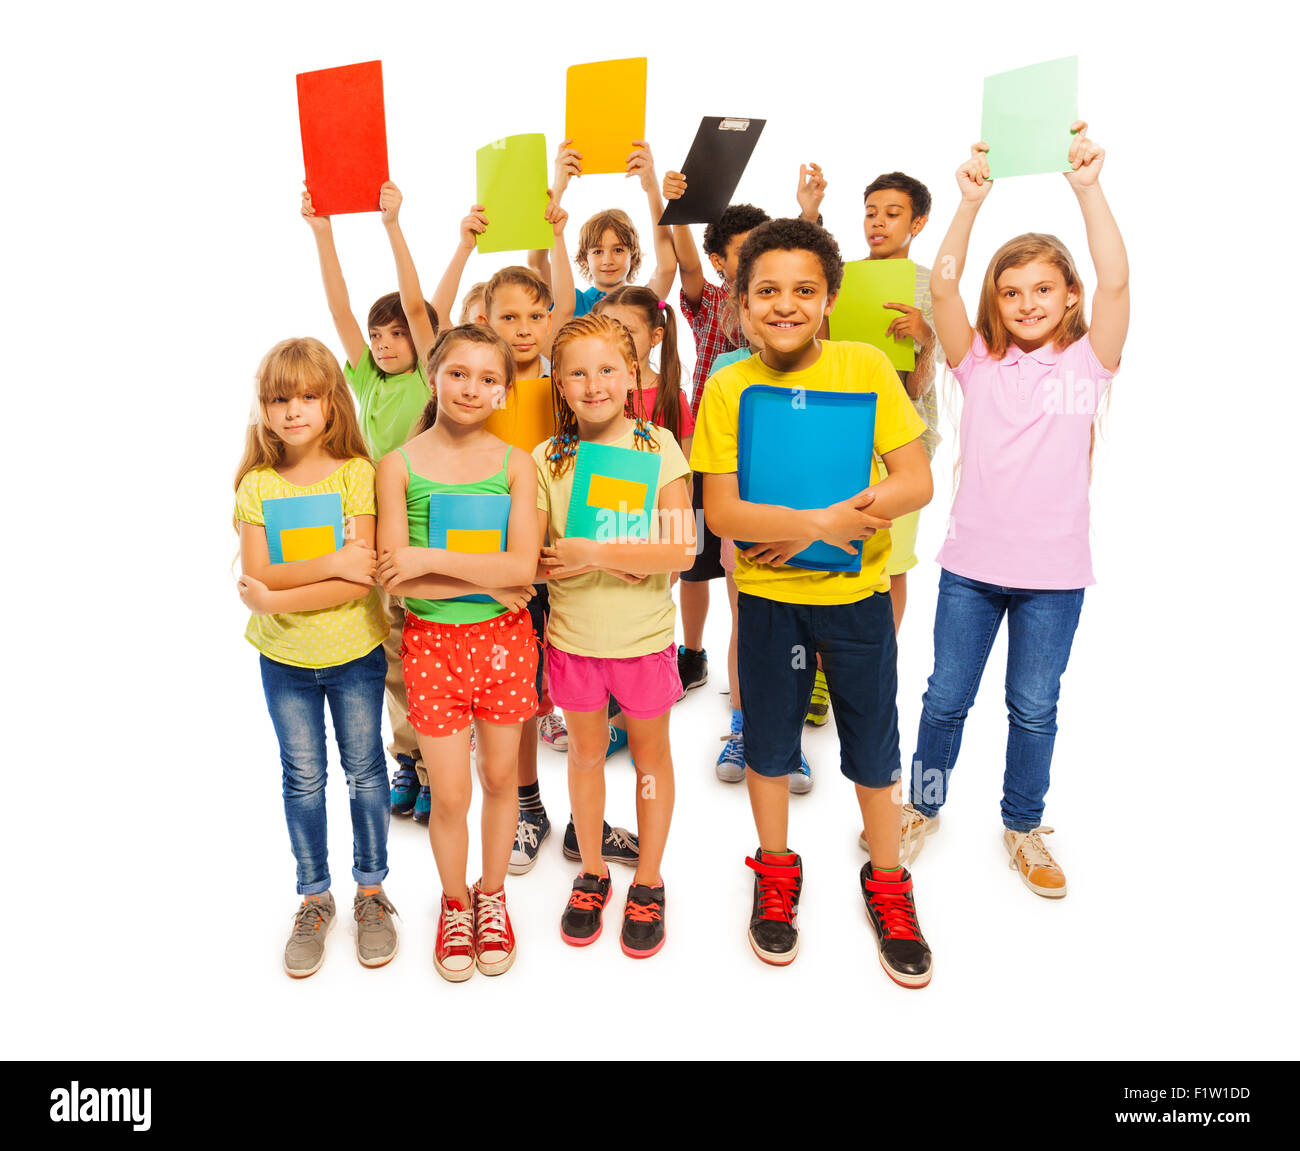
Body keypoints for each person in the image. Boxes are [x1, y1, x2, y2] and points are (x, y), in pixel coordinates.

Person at [691, 217, 936, 988]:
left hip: (855, 597)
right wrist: (823, 524)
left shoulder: (863, 364)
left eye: (804, 290)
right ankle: (774, 867)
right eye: (766, 290)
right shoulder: (730, 382)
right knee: (768, 738)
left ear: (829, 298)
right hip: (767, 600)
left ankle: (888, 881)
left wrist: (813, 529)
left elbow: (915, 480)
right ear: (739, 302)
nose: (785, 304)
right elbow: (724, 512)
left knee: (873, 741)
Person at [901, 123, 1128, 901]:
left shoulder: (1088, 364)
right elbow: (940, 288)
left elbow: (1119, 284)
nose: (1027, 303)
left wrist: (1088, 191)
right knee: (944, 698)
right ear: (995, 301)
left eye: (1043, 289)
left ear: (1070, 297)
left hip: (1054, 579)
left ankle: (1023, 824)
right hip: (970, 570)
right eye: (1010, 290)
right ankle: (922, 805)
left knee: (1034, 708)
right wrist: (967, 205)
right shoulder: (978, 365)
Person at [375, 324, 542, 981]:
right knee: (449, 794)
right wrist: (488, 574)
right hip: (432, 645)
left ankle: (492, 893)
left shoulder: (514, 465)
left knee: (502, 779)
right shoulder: (401, 465)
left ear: (505, 390)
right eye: (459, 373)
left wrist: (431, 558)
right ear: (434, 376)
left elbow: (524, 566)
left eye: (488, 378)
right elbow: (399, 578)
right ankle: (453, 902)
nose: (472, 387)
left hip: (504, 643)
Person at [234, 337, 397, 978]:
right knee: (303, 780)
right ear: (265, 409)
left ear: (332, 401)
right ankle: (314, 898)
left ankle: (372, 893)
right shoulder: (258, 485)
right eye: (280, 398)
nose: (294, 409)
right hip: (283, 662)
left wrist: (279, 589)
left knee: (364, 773)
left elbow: (356, 584)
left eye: (308, 395)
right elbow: (253, 572)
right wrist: (326, 564)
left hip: (355, 654)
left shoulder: (357, 475)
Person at [534, 313, 695, 958]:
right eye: (576, 371)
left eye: (607, 369)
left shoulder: (657, 447)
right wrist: (596, 553)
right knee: (585, 756)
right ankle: (593, 869)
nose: (592, 383)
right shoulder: (549, 457)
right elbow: (543, 554)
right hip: (572, 639)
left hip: (642, 641)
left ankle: (649, 877)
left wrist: (595, 552)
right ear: (559, 383)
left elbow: (682, 550)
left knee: (650, 760)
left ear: (632, 374)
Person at [301, 184, 440, 824]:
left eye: (396, 336)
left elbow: (416, 306)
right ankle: (407, 761)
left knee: (429, 644)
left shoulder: (423, 379)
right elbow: (340, 314)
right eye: (378, 337)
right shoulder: (367, 380)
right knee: (391, 657)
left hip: (429, 530)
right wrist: (323, 233)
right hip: (378, 537)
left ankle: (437, 765)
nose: (384, 344)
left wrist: (392, 227)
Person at [660, 165, 825, 704]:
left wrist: (806, 213)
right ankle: (692, 652)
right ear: (719, 262)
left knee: (745, 579)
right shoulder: (706, 300)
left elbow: (805, 267)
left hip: (763, 460)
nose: (755, 258)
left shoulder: (783, 309)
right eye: (743, 251)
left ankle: (761, 678)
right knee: (694, 561)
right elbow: (683, 261)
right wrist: (672, 204)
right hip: (708, 454)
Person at [529, 139, 677, 315]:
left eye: (618, 250)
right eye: (598, 252)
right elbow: (537, 264)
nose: (608, 260)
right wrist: (557, 189)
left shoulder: (642, 301)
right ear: (585, 258)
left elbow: (667, 266)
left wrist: (652, 187)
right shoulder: (571, 302)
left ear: (633, 256)